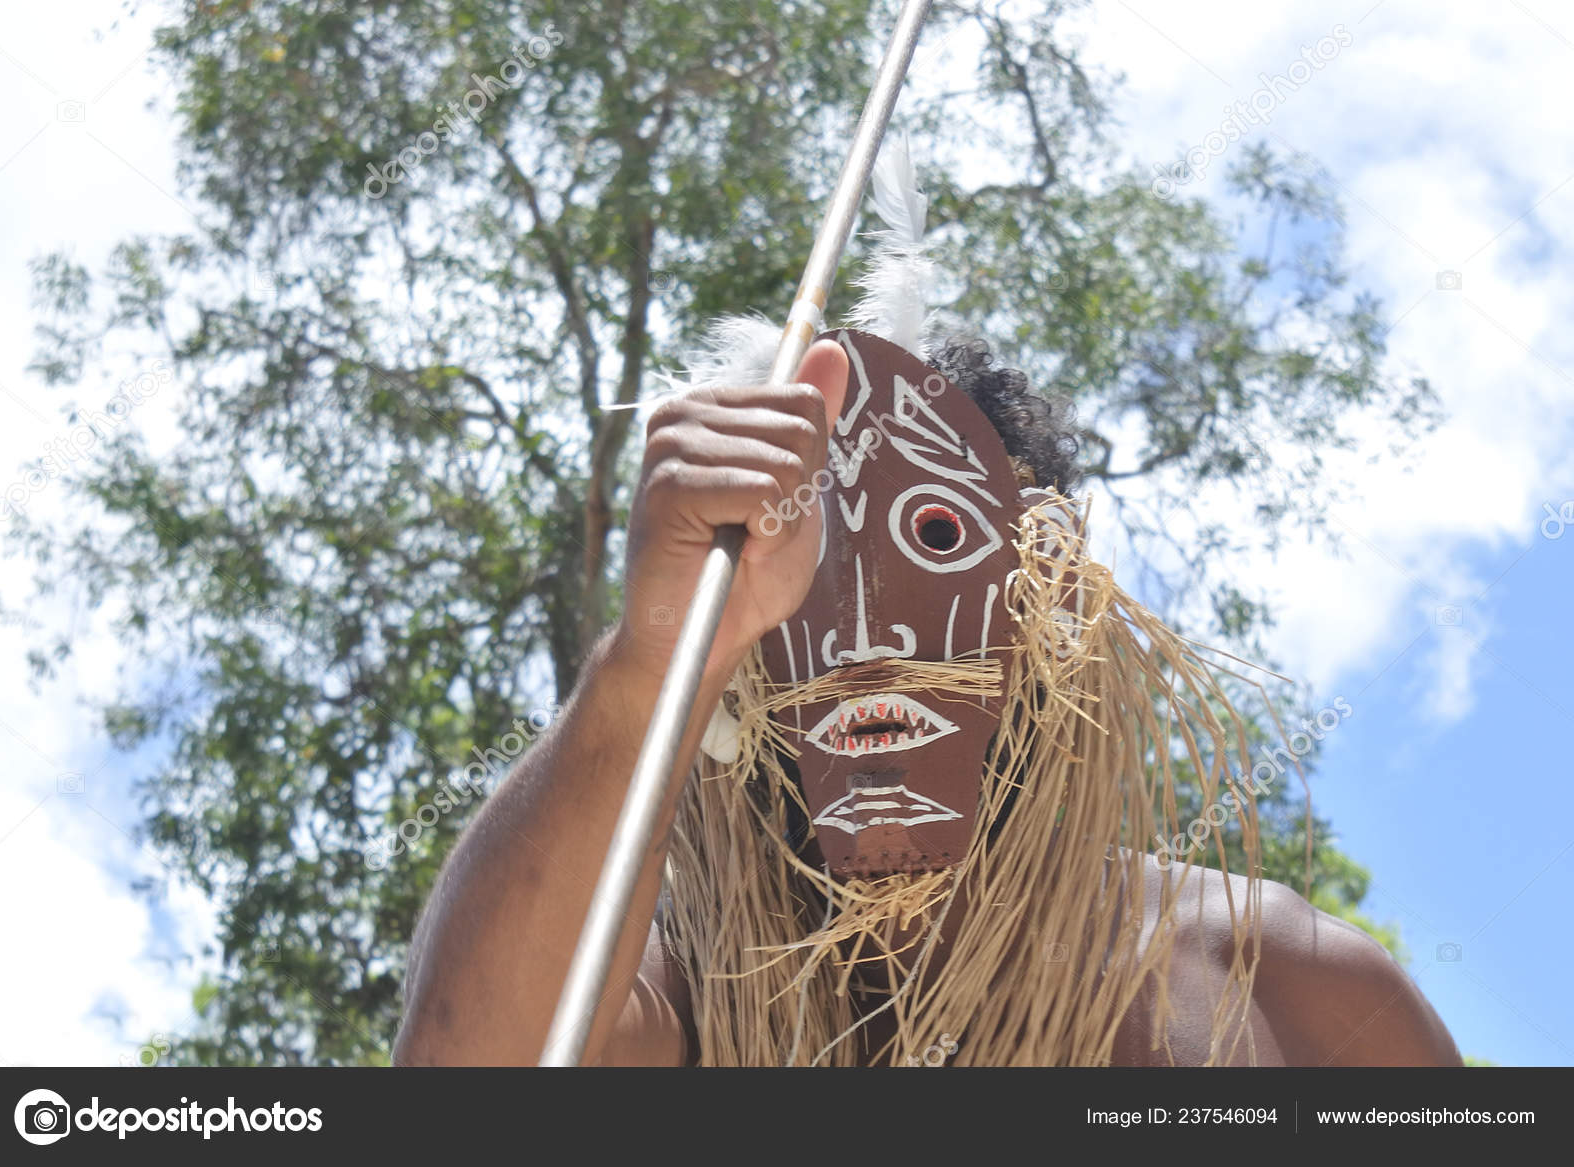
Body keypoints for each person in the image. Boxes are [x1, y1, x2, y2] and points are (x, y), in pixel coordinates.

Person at [392, 325, 1460, 1067]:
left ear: (1048, 612)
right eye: (810, 582)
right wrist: (658, 650)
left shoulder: (1278, 986)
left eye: (936, 541)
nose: (872, 645)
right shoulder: (692, 990)